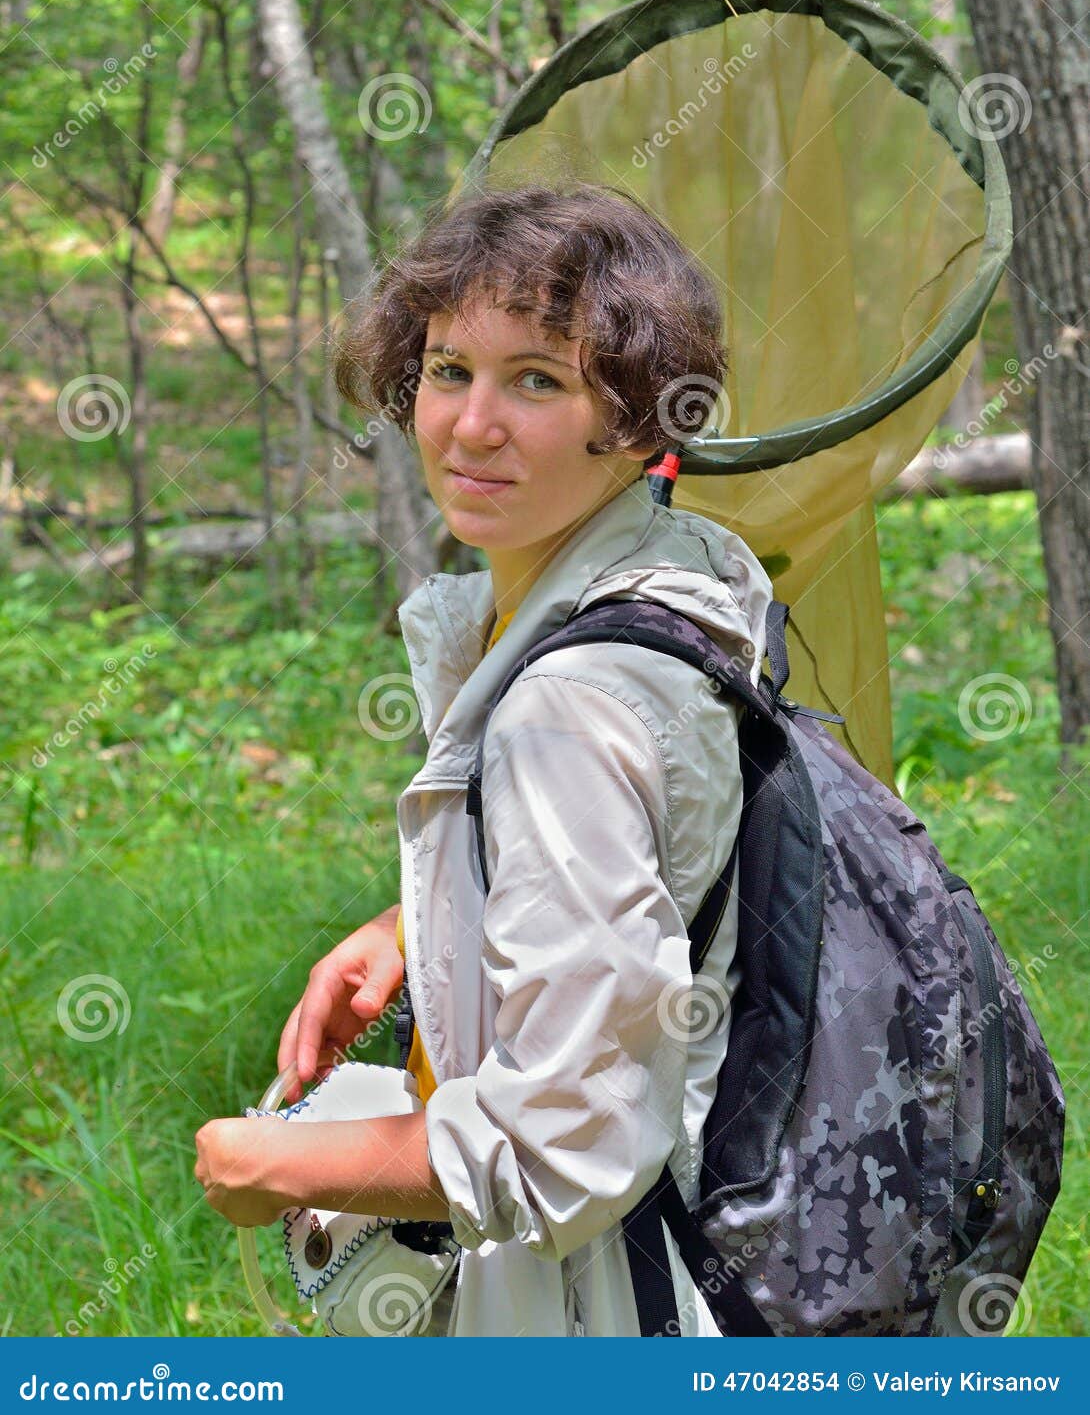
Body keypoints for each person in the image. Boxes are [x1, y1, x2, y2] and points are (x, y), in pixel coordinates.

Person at [195, 183, 772, 1337]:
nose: (471, 424)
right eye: (450, 370)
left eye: (540, 381)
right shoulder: (690, 571)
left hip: (600, 1308)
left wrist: (288, 1164)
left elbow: (567, 1140)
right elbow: (677, 862)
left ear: (644, 423)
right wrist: (430, 918)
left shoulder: (564, 705)